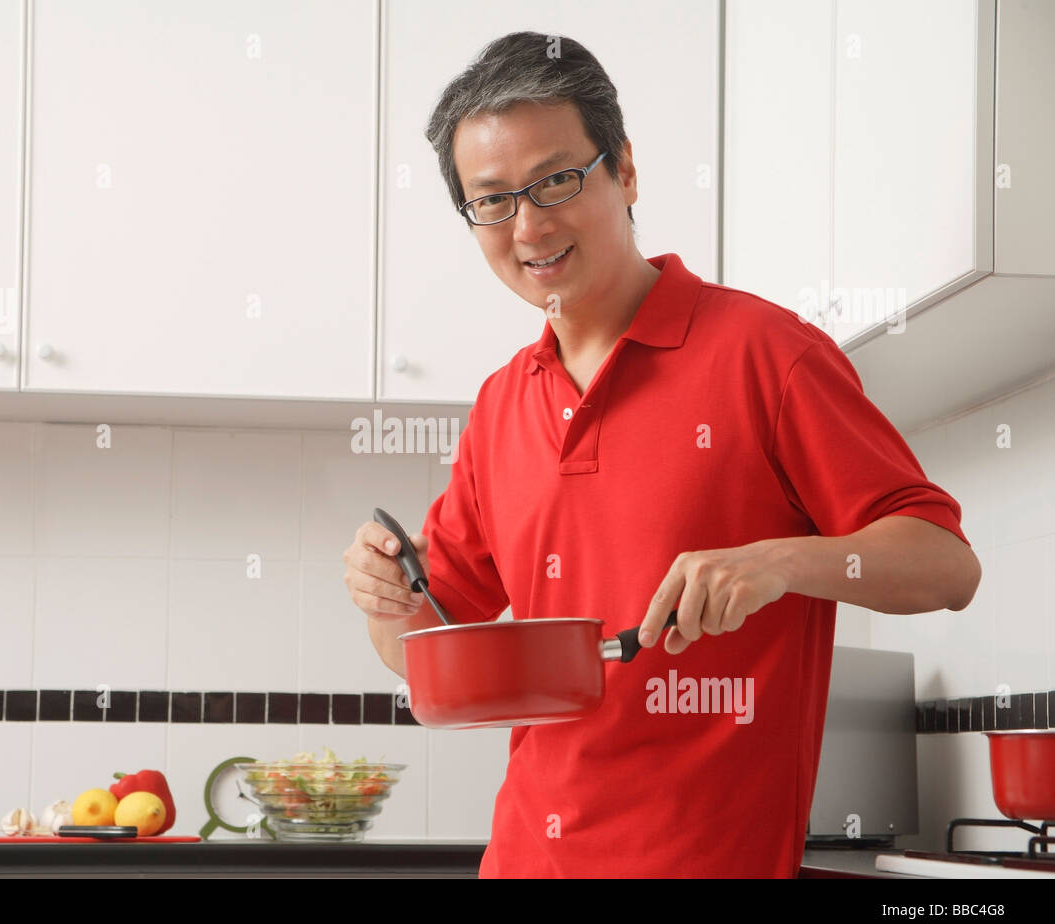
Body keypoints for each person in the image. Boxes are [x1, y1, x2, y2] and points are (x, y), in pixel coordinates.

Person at [341, 32, 981, 877]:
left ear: (626, 171)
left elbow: (947, 566)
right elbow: (437, 659)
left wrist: (779, 562)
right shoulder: (501, 404)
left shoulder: (768, 355)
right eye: (491, 200)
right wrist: (386, 600)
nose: (528, 225)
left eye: (557, 180)